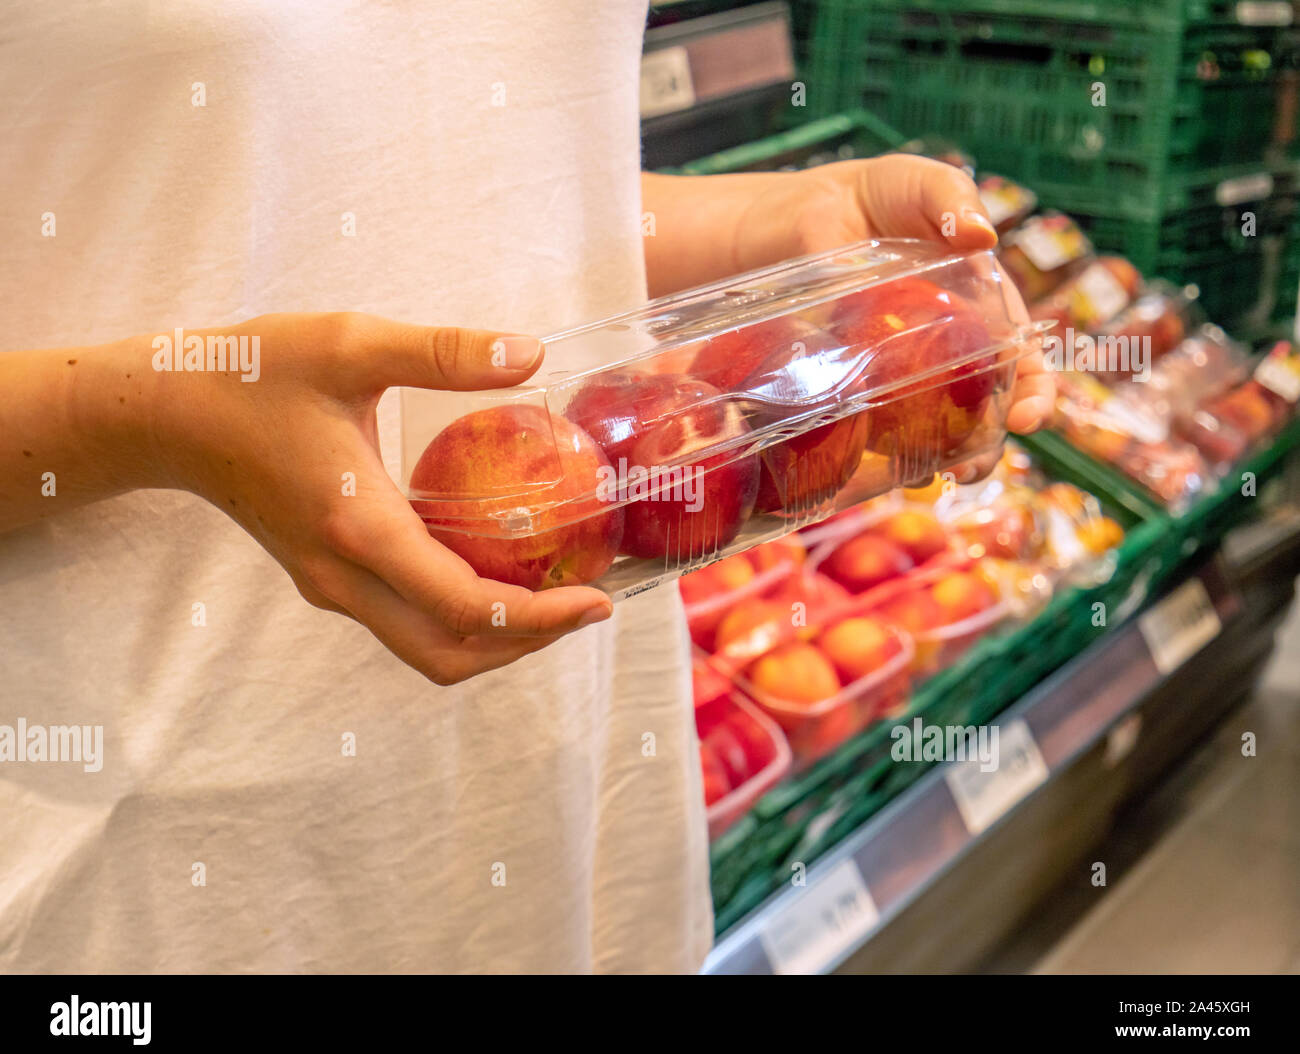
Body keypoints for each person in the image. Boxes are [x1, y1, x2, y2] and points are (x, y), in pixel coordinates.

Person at [0, 1, 1052, 974]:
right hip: (167, 831)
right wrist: (153, 411)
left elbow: (482, 189)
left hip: (561, 750)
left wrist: (779, 221)